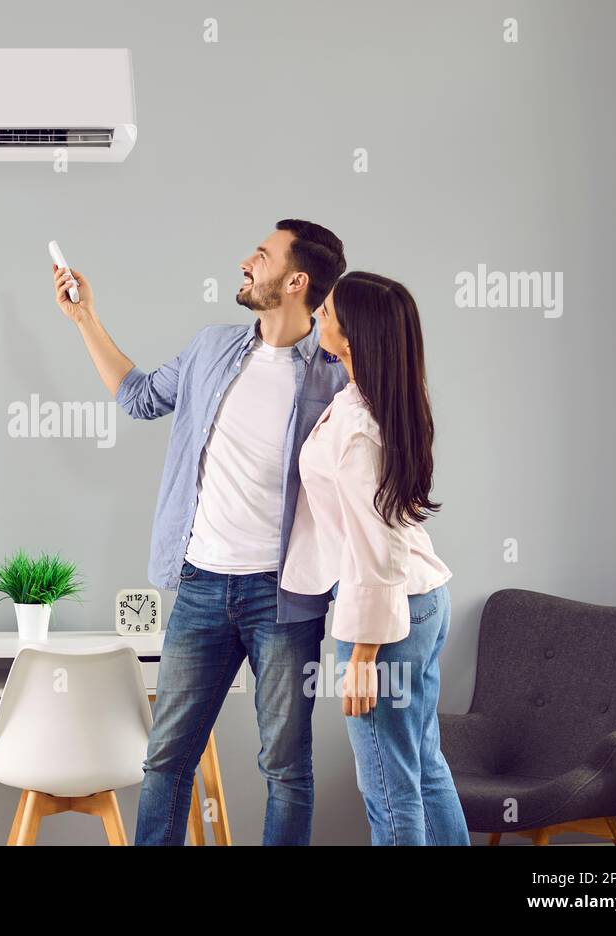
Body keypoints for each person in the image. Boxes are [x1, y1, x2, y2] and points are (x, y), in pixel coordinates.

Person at [51, 220, 347, 845]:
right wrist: (86, 319)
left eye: (261, 256)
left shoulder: (333, 376)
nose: (246, 262)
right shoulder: (212, 348)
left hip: (284, 597)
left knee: (286, 768)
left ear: (297, 281)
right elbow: (137, 398)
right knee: (165, 760)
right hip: (202, 588)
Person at [281, 271, 470, 845]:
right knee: (422, 765)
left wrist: (363, 654)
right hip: (420, 600)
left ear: (354, 334)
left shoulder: (362, 428)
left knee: (387, 786)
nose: (321, 315)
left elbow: (377, 546)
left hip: (387, 618)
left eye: (331, 311)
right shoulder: (371, 399)